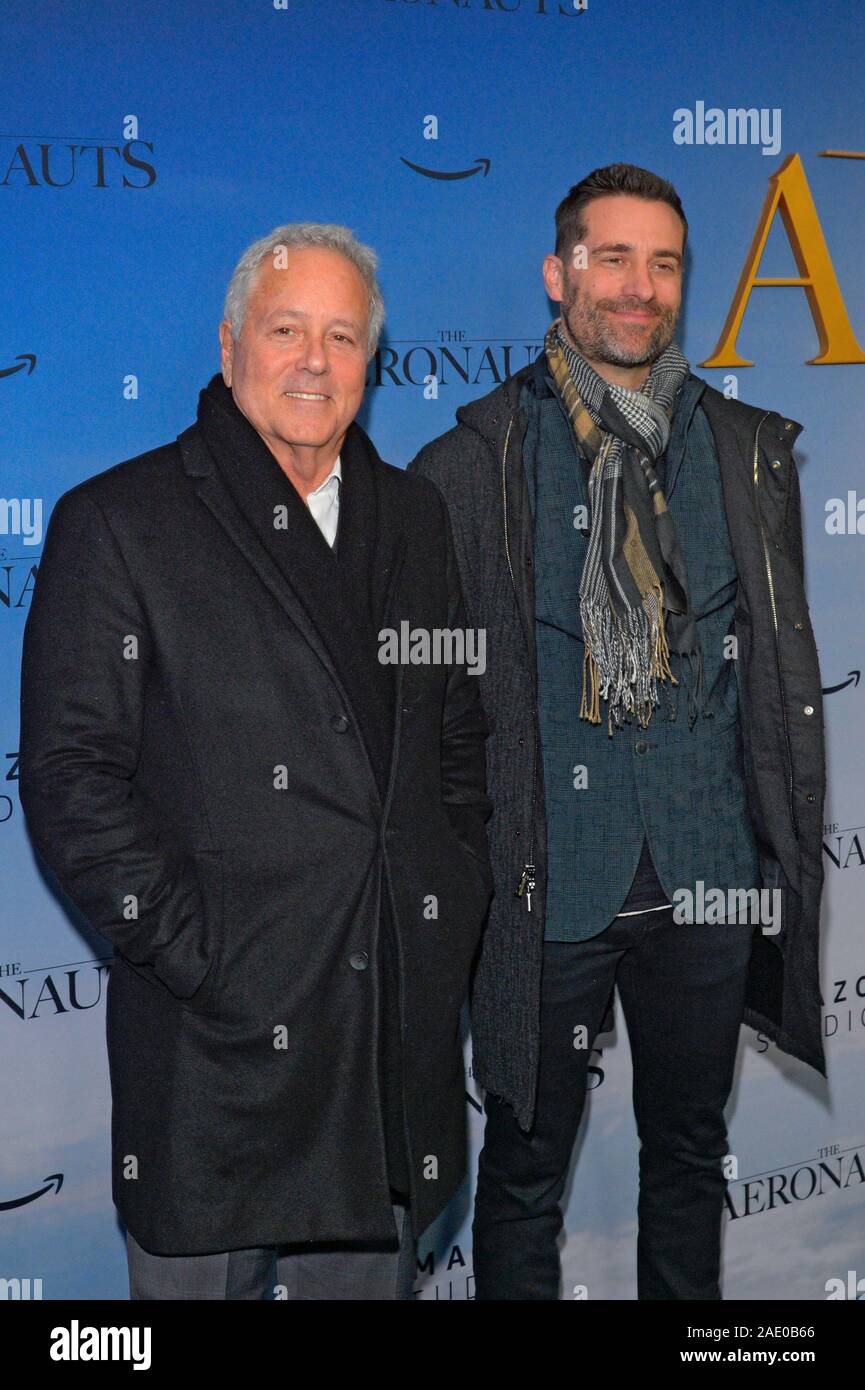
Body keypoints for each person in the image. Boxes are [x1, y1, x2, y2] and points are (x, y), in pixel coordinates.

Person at [19, 222, 493, 1300]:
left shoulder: (416, 519)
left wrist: (447, 901)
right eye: (287, 330)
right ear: (231, 343)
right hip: (213, 1063)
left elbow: (459, 739)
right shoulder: (120, 520)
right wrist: (207, 961)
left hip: (385, 1056)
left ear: (372, 363)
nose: (315, 361)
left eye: (341, 335)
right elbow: (70, 781)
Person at [409, 163, 826, 1300]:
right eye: (611, 258)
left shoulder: (746, 452)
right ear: (559, 275)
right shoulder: (469, 466)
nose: (638, 288)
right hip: (548, 889)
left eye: (664, 262)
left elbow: (773, 675)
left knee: (689, 1158)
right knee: (524, 1175)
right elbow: (431, 705)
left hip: (705, 882)